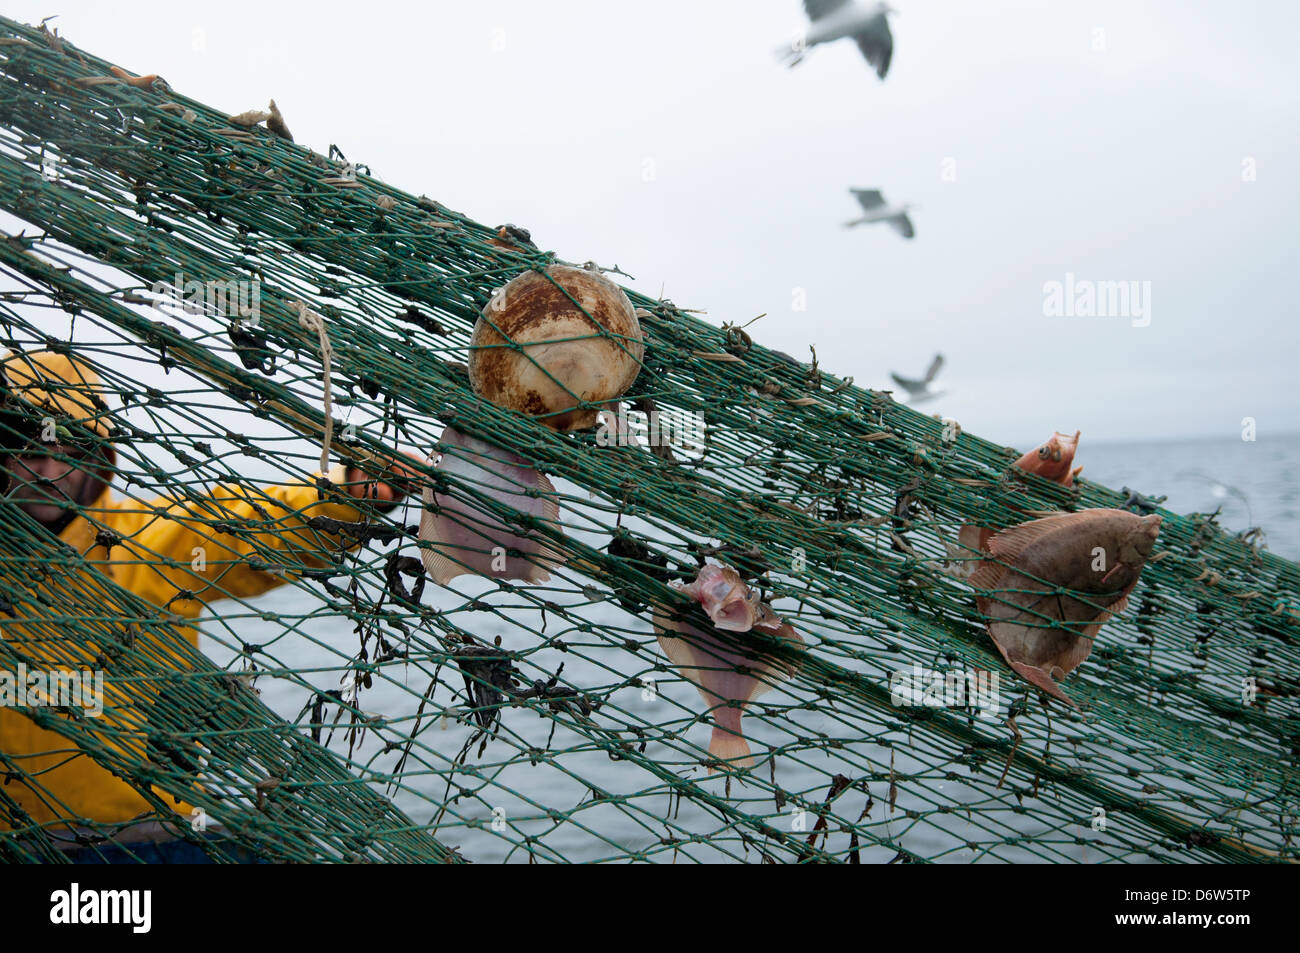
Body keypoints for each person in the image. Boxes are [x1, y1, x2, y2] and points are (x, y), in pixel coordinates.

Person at [0, 348, 418, 860]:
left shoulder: (150, 539)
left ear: (95, 453)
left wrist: (350, 496)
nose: (43, 462)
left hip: (148, 837)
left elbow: (250, 530)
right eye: (23, 442)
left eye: (64, 443)